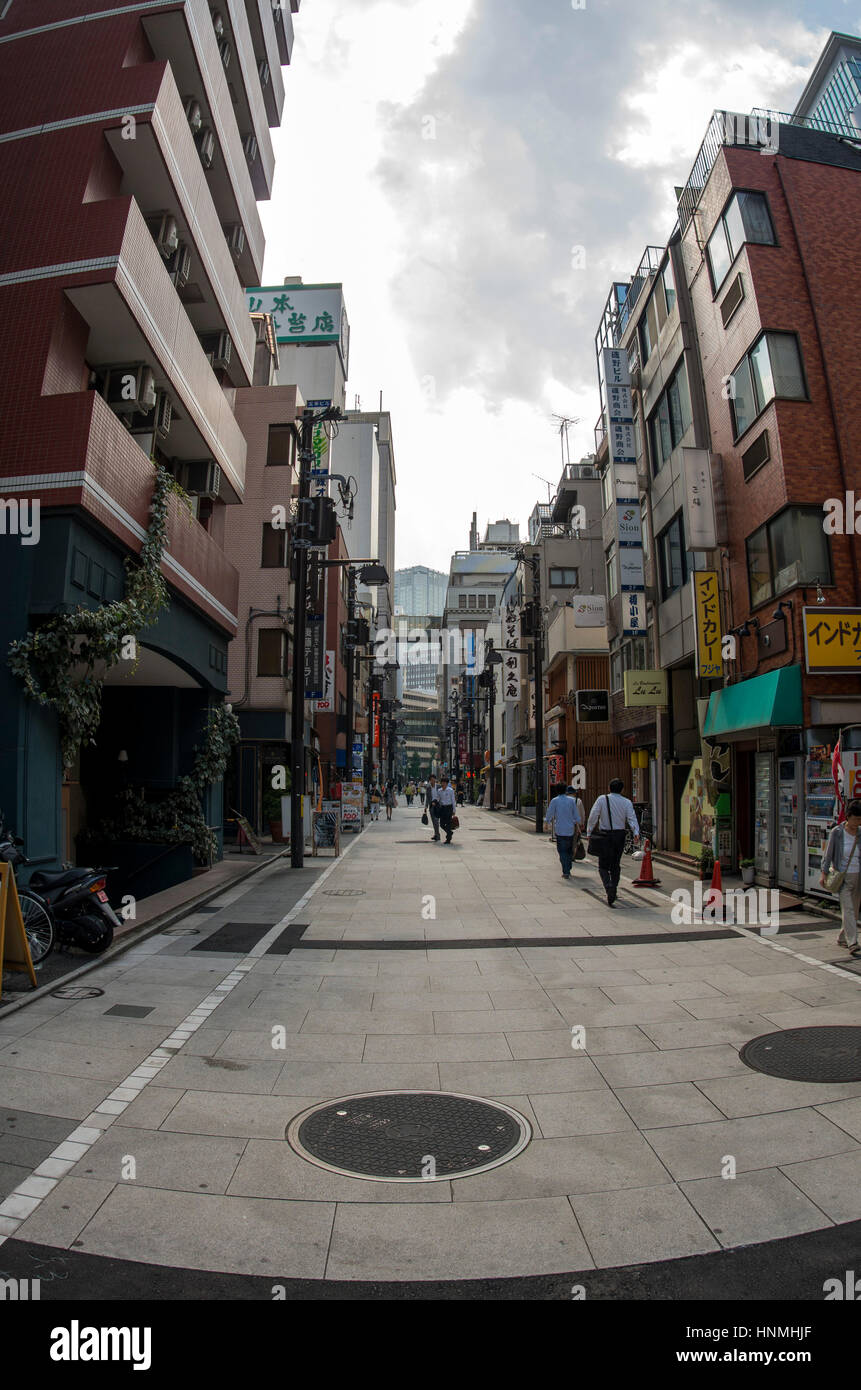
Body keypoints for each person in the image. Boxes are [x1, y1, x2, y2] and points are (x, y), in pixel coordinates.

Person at [586, 778, 640, 907]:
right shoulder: (626, 802)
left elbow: (594, 815)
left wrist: (589, 831)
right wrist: (636, 832)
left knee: (603, 865)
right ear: (622, 789)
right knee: (615, 864)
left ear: (609, 788)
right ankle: (614, 886)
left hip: (605, 835)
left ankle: (608, 886)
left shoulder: (602, 799)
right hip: (619, 835)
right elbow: (631, 818)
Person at [820, 799, 861, 956]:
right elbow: (828, 855)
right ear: (848, 816)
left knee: (854, 911)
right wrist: (823, 873)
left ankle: (843, 938)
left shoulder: (860, 833)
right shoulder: (837, 832)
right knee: (849, 909)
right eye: (856, 818)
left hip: (858, 876)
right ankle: (853, 942)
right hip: (842, 877)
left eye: (860, 819)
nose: (858, 822)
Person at [544, 783, 582, 880]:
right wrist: (579, 823)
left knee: (561, 850)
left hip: (560, 829)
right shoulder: (572, 801)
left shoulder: (555, 801)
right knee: (569, 849)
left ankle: (565, 870)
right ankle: (568, 867)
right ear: (565, 790)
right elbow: (576, 814)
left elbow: (550, 812)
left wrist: (546, 822)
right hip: (570, 829)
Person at [436, 774, 457, 843]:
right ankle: (449, 832)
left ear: (447, 783)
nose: (443, 784)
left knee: (448, 823)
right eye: (442, 782)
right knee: (441, 824)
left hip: (449, 808)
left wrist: (454, 810)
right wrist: (434, 802)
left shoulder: (450, 790)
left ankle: (448, 839)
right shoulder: (439, 791)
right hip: (442, 808)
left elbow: (453, 801)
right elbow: (438, 799)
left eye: (444, 783)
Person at [424, 774, 441, 841]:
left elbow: (441, 796)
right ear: (429, 780)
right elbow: (427, 798)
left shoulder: (439, 786)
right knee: (434, 821)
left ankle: (437, 835)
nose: (433, 780)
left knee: (436, 821)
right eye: (431, 779)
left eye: (434, 779)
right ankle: (436, 834)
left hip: (438, 805)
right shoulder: (428, 787)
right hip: (431, 806)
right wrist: (425, 806)